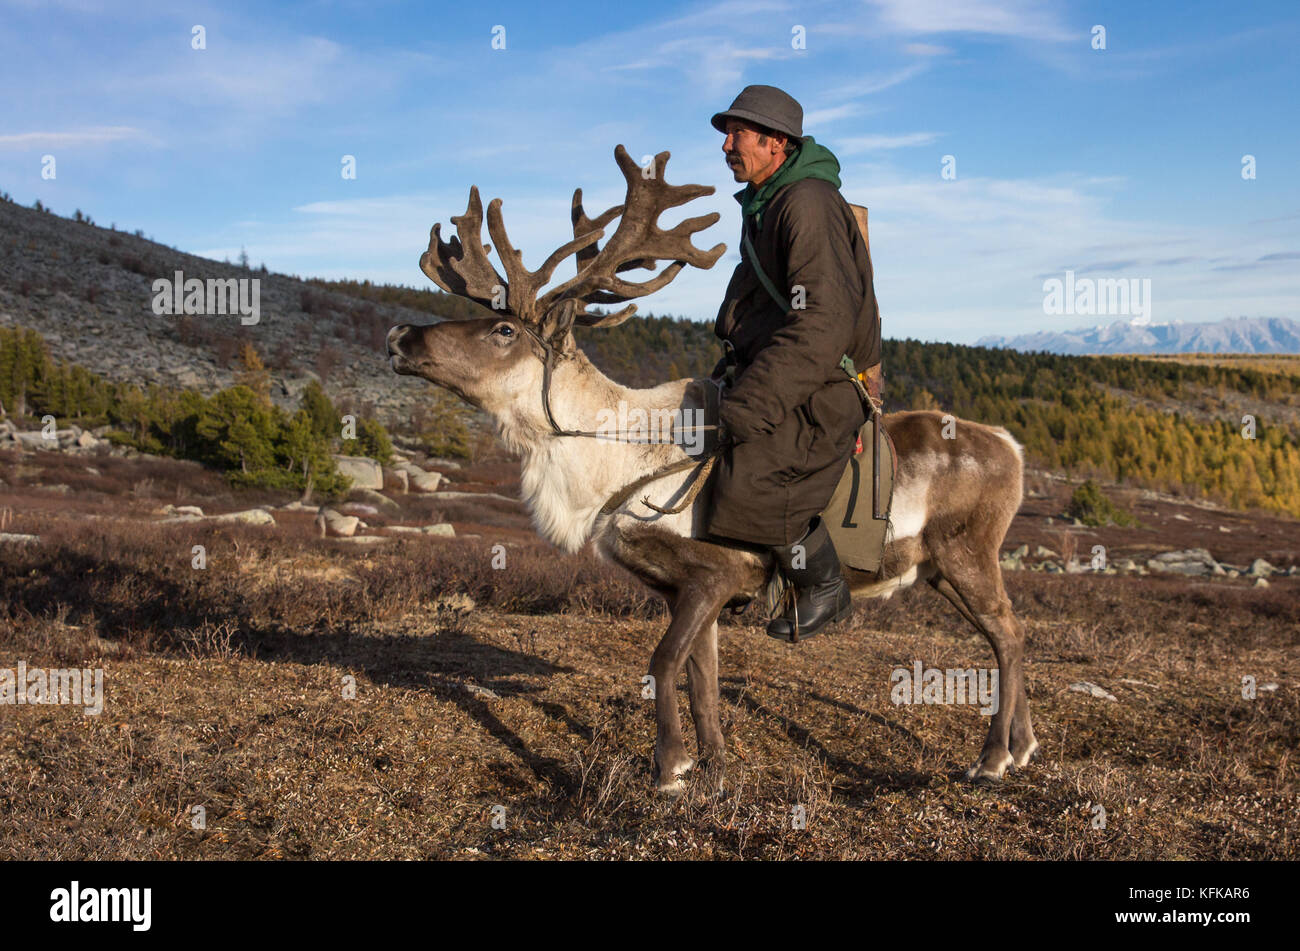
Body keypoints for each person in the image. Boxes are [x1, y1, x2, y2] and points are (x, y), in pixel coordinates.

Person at [705, 84, 882, 641]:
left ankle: (823, 586)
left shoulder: (804, 202)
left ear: (776, 142)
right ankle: (739, 575)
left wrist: (750, 404)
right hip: (796, 370)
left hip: (823, 384)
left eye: (738, 134)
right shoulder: (767, 202)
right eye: (727, 134)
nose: (727, 145)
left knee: (755, 478)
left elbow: (822, 323)